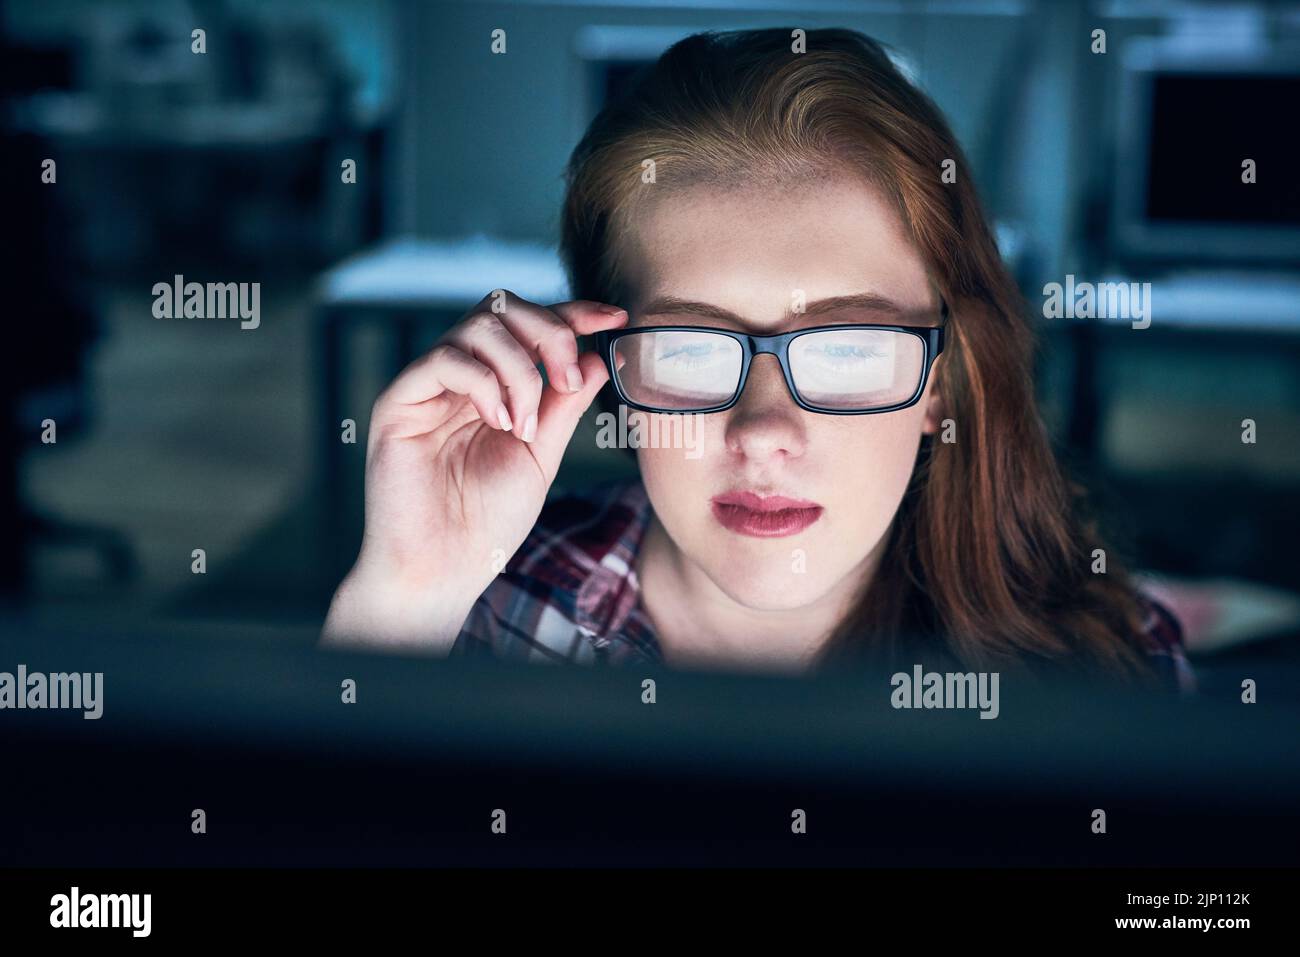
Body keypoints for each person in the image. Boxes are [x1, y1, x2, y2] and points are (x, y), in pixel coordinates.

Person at [321, 27, 1193, 693]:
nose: (765, 432)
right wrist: (405, 596)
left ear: (946, 378)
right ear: (607, 368)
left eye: (851, 349)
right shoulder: (487, 618)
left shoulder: (1107, 672)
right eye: (690, 348)